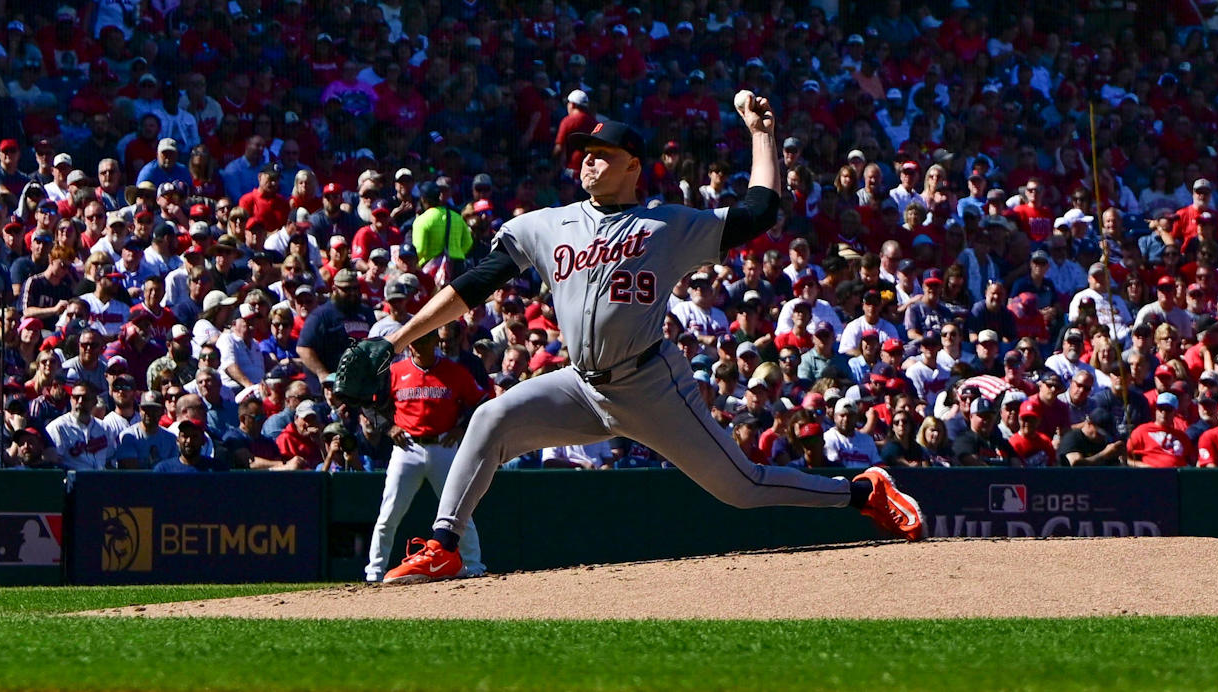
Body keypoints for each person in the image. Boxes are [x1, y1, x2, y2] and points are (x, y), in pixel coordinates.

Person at [370, 90, 927, 580]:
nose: (587, 161)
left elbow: (758, 211)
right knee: (491, 418)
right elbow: (473, 285)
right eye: (584, 154)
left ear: (633, 165)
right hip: (581, 386)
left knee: (743, 488)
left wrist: (762, 136)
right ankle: (444, 545)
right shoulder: (546, 223)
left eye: (601, 154)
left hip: (651, 385)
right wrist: (395, 341)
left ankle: (862, 491)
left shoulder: (667, 225)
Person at [348, 317, 495, 582]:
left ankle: (474, 566)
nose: (416, 346)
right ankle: (374, 571)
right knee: (389, 513)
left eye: (422, 340)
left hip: (444, 447)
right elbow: (369, 403)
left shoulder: (454, 371)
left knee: (460, 512)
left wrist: (462, 429)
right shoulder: (396, 372)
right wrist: (389, 427)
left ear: (434, 342)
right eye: (413, 342)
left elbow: (483, 402)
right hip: (408, 448)